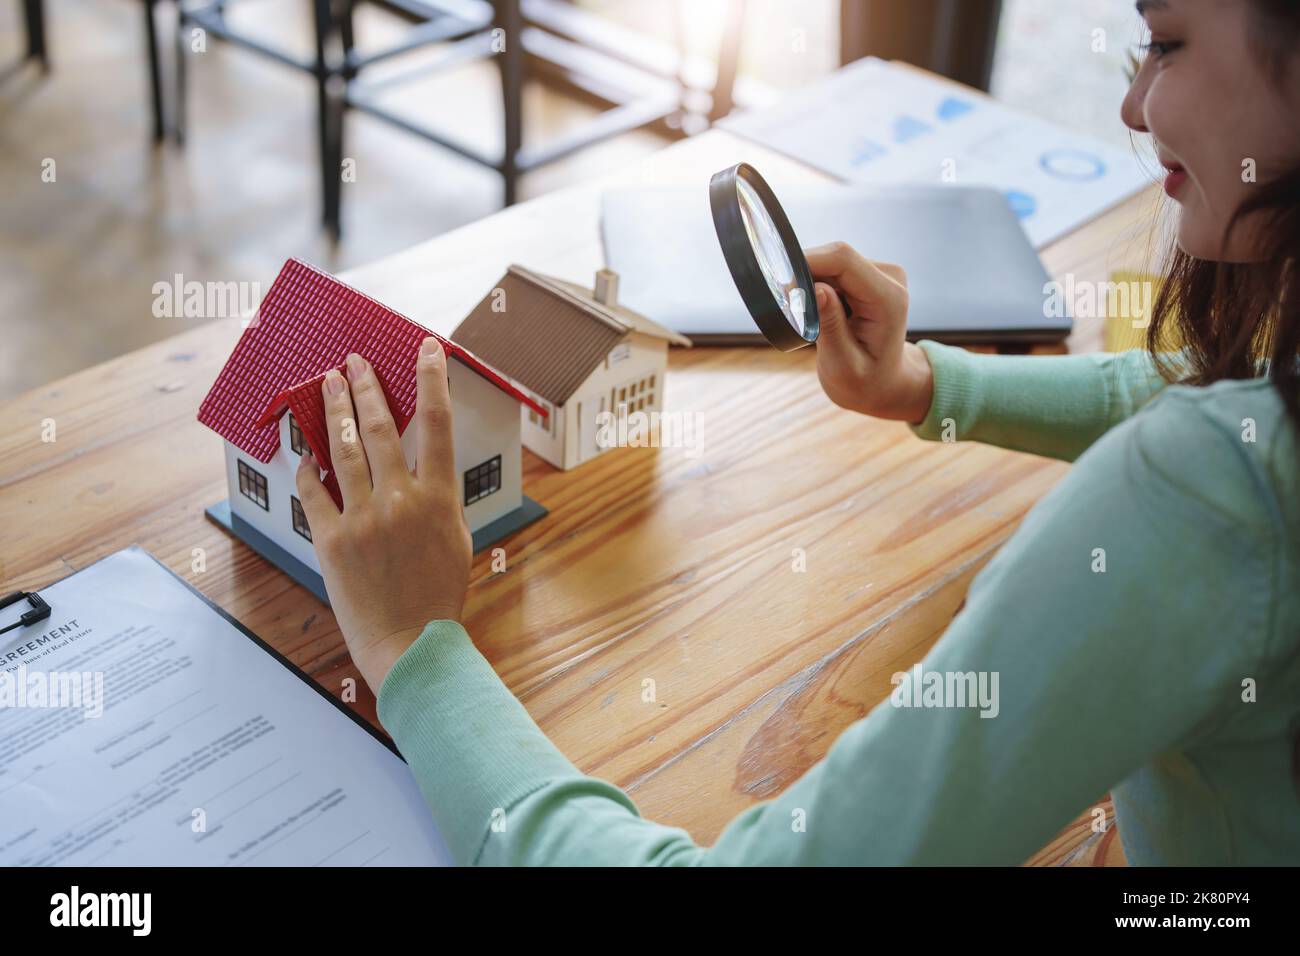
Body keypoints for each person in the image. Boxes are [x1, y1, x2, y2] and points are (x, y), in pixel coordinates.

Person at [295, 0, 1300, 865]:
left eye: (1163, 42)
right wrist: (927, 383)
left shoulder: (1206, 497)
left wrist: (410, 649)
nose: (1132, 104)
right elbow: (1216, 388)